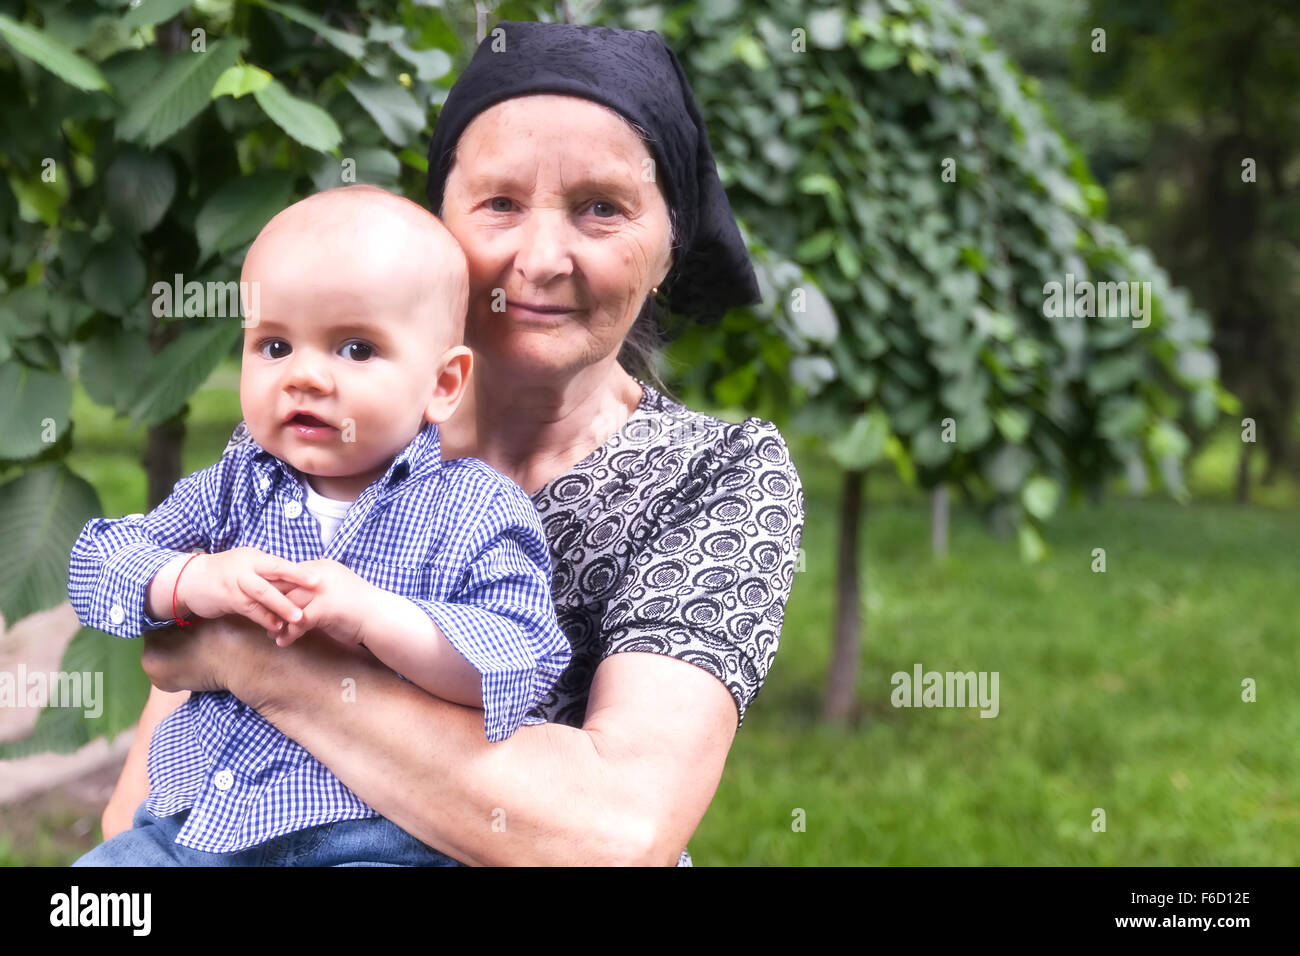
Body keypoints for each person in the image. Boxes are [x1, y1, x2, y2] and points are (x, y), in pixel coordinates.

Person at [102, 20, 805, 866]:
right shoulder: (318, 446)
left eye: (602, 209)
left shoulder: (719, 477)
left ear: (668, 245)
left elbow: (615, 834)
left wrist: (252, 661)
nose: (542, 258)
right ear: (440, 222)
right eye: (500, 203)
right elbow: (138, 813)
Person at [68, 187, 570, 865]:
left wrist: (373, 617)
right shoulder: (233, 487)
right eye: (274, 344)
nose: (304, 375)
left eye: (356, 349)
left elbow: (517, 662)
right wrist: (191, 578)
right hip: (200, 824)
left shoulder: (471, 509)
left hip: (377, 836)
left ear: (443, 384)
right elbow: (99, 563)